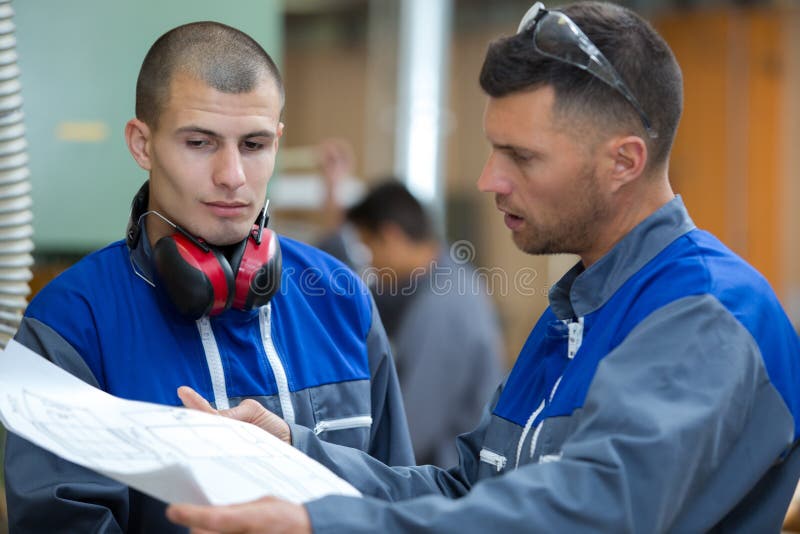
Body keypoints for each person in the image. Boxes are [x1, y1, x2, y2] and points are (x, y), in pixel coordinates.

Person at [165, 2, 800, 532]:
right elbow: (469, 488)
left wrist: (322, 525)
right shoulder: (578, 310)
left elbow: (589, 515)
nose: (488, 179)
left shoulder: (706, 315)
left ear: (624, 161)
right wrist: (296, 453)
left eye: (520, 156)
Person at [3, 21, 414, 533]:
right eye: (200, 142)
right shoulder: (72, 322)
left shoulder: (339, 298)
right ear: (141, 144)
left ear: (278, 141)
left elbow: (399, 504)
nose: (233, 176)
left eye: (255, 144)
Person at [325, 176, 506, 467]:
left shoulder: (443, 308)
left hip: (449, 480)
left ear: (391, 236)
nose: (369, 263)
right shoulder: (444, 276)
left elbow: (411, 432)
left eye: (368, 248)